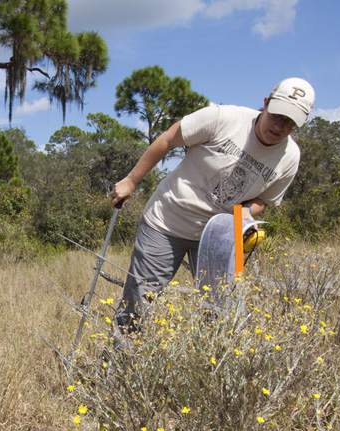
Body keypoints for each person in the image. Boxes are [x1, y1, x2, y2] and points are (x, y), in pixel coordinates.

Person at [109, 77, 315, 333]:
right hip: (166, 222)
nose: (280, 126)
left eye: (290, 122)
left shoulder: (290, 157)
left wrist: (246, 214)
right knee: (138, 306)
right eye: (277, 115)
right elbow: (168, 139)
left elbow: (265, 199)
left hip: (219, 236)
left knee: (221, 314)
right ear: (266, 103)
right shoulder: (223, 118)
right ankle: (113, 369)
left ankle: (208, 371)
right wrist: (131, 180)